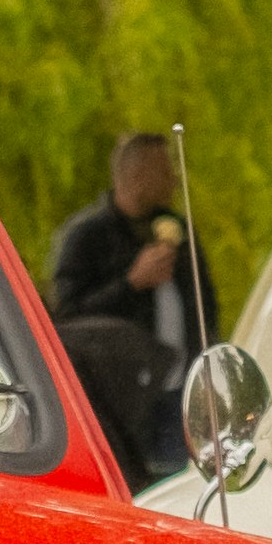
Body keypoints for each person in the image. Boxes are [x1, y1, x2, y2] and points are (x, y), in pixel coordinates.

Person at [47, 131, 219, 482]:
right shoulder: (86, 236)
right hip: (124, 398)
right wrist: (131, 283)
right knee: (142, 490)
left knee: (187, 484)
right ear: (137, 176)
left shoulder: (179, 228)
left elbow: (205, 304)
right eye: (164, 170)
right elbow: (66, 318)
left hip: (184, 390)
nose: (174, 179)